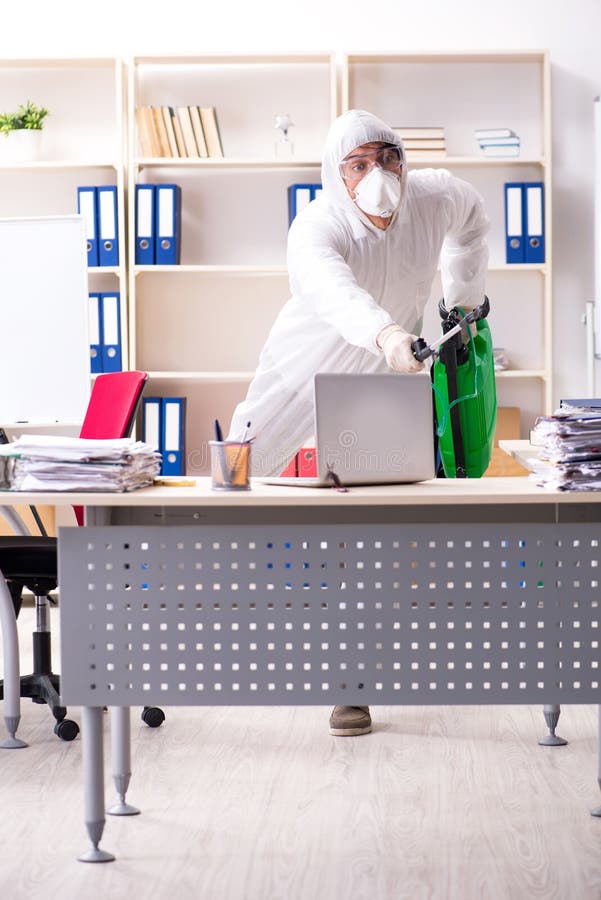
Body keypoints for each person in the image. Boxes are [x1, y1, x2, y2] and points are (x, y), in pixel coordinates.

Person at [228, 109, 490, 737]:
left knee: (363, 535)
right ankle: (190, 627)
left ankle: (353, 686)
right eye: (358, 165)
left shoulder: (434, 196)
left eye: (387, 158)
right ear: (335, 174)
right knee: (232, 484)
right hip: (298, 376)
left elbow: (475, 222)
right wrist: (387, 331)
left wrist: (460, 298)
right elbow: (333, 293)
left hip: (383, 384)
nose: (378, 176)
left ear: (404, 158)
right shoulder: (317, 225)